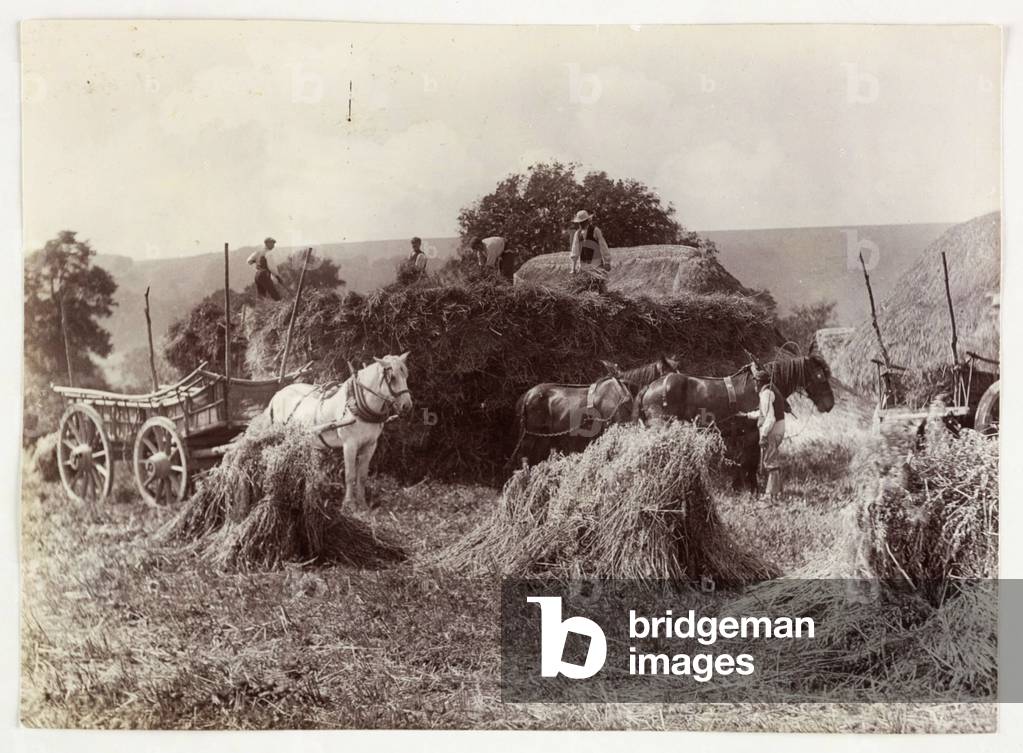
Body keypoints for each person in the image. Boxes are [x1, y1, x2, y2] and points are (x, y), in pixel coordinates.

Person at [744, 368, 786, 500]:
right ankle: (777, 492)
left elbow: (770, 418)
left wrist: (763, 436)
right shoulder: (769, 392)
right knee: (772, 459)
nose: (755, 385)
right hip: (778, 428)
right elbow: (763, 414)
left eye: (756, 382)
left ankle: (770, 495)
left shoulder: (765, 394)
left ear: (760, 383)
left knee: (769, 461)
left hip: (772, 430)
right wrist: (746, 415)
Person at [569, 210, 611, 292]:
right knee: (584, 288)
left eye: (583, 222)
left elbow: (603, 246)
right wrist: (573, 268)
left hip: (597, 265)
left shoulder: (595, 230)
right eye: (580, 222)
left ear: (588, 221)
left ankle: (605, 298)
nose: (581, 224)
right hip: (584, 266)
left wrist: (607, 262)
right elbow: (575, 251)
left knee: (601, 286)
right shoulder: (577, 234)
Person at [247, 236, 283, 301]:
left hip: (257, 275)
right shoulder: (268, 253)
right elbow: (272, 268)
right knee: (274, 293)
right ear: (267, 243)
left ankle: (261, 309)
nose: (273, 245)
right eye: (272, 243)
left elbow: (249, 261)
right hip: (264, 275)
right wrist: (278, 277)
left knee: (261, 296)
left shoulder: (258, 252)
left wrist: (256, 262)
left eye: (274, 243)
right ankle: (281, 304)